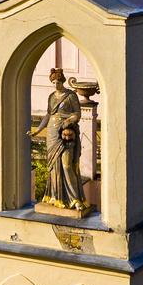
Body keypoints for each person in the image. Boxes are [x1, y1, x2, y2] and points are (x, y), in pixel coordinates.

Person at [43, 67, 85, 210]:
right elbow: (48, 115)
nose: (56, 85)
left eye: (58, 82)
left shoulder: (70, 96)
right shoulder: (51, 97)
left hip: (66, 133)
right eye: (53, 83)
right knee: (54, 166)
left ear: (63, 82)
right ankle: (55, 196)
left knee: (67, 166)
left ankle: (75, 199)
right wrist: (38, 130)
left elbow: (77, 114)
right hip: (52, 134)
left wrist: (69, 120)